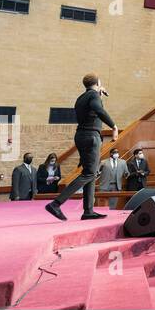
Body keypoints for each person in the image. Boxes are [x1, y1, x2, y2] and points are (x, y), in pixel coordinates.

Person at [46, 73, 118, 221]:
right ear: (98, 83)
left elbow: (92, 110)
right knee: (89, 174)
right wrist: (113, 126)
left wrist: (99, 94)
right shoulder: (94, 97)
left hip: (82, 135)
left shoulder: (82, 98)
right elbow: (98, 110)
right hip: (91, 136)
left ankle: (88, 211)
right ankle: (56, 203)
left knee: (90, 172)